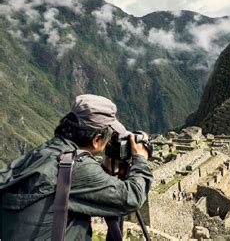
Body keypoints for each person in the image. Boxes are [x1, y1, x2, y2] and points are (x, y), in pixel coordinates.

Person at [0, 94, 154, 240]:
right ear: (96, 139)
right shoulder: (76, 167)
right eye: (109, 135)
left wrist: (106, 169)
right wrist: (140, 158)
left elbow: (73, 186)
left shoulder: (43, 152)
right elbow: (132, 197)